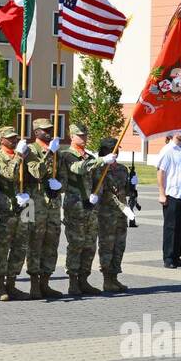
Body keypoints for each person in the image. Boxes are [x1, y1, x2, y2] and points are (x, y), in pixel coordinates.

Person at [0, 126, 32, 301]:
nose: (14, 140)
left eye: (15, 137)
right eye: (10, 138)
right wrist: (19, 156)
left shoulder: (23, 153)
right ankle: (1, 288)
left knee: (21, 247)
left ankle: (12, 284)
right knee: (3, 248)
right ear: (1, 140)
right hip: (6, 209)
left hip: (26, 206)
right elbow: (9, 175)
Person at [59, 124, 101, 296]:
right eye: (80, 135)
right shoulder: (67, 155)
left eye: (85, 135)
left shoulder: (89, 156)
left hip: (90, 207)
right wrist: (100, 160)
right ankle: (73, 282)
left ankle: (84, 279)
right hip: (75, 206)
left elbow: (97, 179)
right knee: (76, 244)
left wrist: (97, 194)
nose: (83, 138)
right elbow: (78, 168)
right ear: (72, 136)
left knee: (90, 245)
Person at [24, 118, 64, 299]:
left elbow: (64, 177)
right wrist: (49, 153)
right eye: (44, 130)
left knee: (51, 243)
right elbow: (37, 172)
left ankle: (45, 283)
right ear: (36, 132)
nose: (48, 132)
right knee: (35, 243)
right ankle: (34, 285)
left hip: (53, 204)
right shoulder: (30, 150)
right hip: (35, 203)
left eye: (50, 129)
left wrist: (59, 185)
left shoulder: (57, 151)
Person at [94, 136, 131, 292]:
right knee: (107, 246)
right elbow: (97, 190)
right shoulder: (99, 168)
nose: (115, 153)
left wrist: (132, 184)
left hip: (121, 212)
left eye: (116, 149)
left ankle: (115, 277)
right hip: (106, 213)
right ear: (104, 151)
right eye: (112, 150)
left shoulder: (122, 169)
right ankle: (107, 279)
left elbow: (126, 190)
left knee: (119, 245)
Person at [156, 130, 181, 268]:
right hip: (171, 193)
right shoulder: (167, 150)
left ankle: (177, 256)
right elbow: (161, 172)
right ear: (173, 133)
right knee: (171, 226)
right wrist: (161, 193)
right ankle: (168, 257)